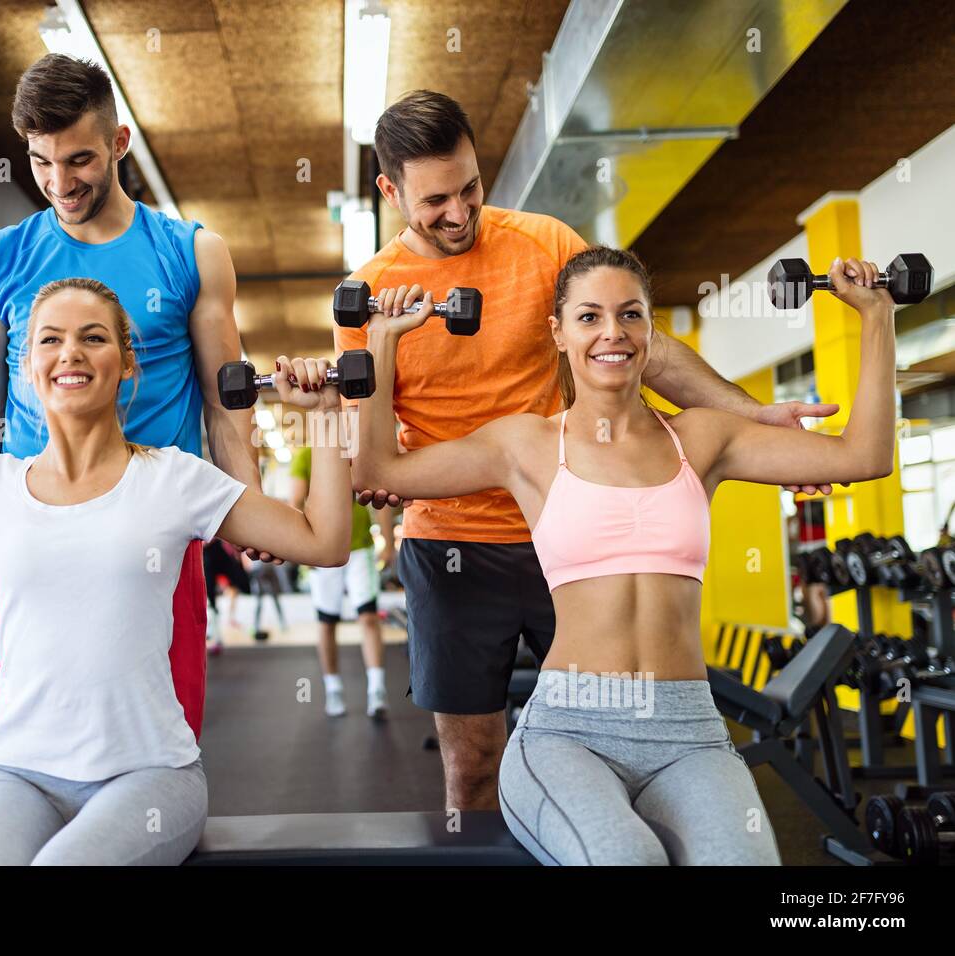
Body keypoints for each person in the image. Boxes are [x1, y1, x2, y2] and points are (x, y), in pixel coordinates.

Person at [336, 89, 839, 811]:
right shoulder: (368, 296)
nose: (459, 213)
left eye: (470, 187)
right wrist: (372, 473)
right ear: (389, 190)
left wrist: (756, 418)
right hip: (453, 544)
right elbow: (369, 438)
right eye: (435, 200)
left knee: (618, 739)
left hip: (571, 531)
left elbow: (646, 351)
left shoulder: (543, 242)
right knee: (473, 761)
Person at [354, 247, 896, 864]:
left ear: (649, 328)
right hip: (568, 733)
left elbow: (864, 455)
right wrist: (382, 339)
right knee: (625, 858)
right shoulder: (526, 445)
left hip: (688, 735)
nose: (612, 333)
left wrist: (876, 317)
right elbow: (378, 471)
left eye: (630, 315)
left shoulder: (703, 437)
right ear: (558, 334)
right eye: (589, 317)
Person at [0, 278, 352, 864]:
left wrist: (326, 411)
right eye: (50, 339)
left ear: (126, 363)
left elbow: (322, 541)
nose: (69, 353)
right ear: (27, 365)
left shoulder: (176, 479)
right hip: (12, 772)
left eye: (92, 338)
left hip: (150, 775)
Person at [0, 54, 275, 741]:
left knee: (163, 736)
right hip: (25, 532)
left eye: (80, 160)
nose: (60, 183)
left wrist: (253, 507)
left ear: (120, 143)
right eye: (41, 162)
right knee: (10, 739)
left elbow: (224, 401)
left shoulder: (192, 252)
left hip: (152, 532)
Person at [289, 445, 391, 718]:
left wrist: (388, 541)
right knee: (327, 622)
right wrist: (303, 545)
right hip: (323, 549)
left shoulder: (356, 452)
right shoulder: (305, 456)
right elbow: (295, 501)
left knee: (369, 617)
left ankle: (377, 689)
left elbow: (377, 493)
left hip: (360, 547)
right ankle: (333, 689)